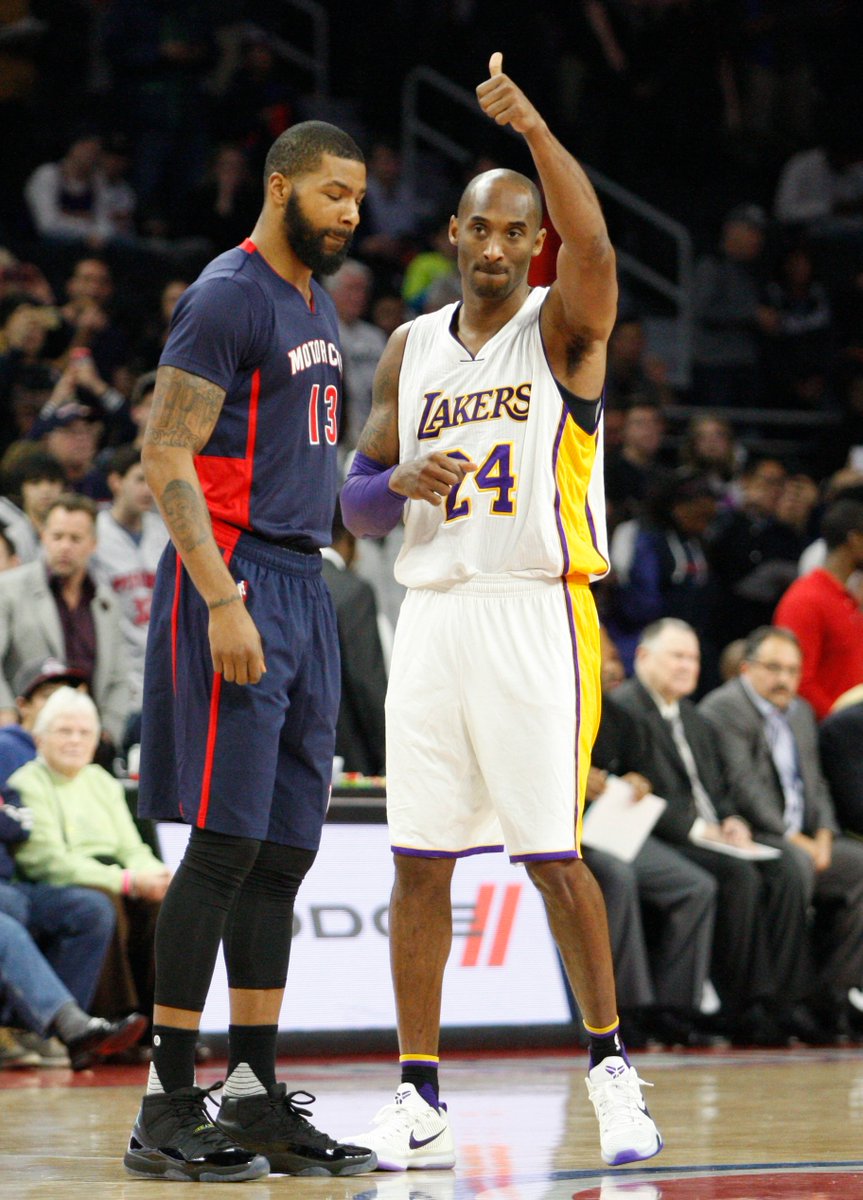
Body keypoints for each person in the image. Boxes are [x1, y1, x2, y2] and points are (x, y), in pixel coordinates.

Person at [341, 54, 662, 1170]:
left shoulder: (562, 326)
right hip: (432, 616)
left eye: (514, 231)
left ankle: (610, 1072)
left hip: (535, 609)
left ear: (534, 244)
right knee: (418, 861)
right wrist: (394, 483)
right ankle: (418, 1093)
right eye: (477, 227)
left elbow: (599, 248)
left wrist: (531, 130)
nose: (492, 245)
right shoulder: (408, 346)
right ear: (453, 232)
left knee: (552, 856)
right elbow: (354, 502)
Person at [124, 120, 375, 1183]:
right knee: (223, 847)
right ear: (279, 188)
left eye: (356, 196)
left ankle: (255, 1092)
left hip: (305, 582)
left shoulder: (314, 303)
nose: (349, 213)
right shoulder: (228, 294)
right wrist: (222, 598)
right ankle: (165, 1102)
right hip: (235, 577)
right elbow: (165, 450)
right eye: (331, 193)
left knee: (281, 856)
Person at [614, 618, 817, 1046]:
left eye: (693, 658)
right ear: (643, 657)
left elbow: (717, 790)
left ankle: (782, 1000)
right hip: (661, 835)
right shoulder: (625, 709)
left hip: (709, 834)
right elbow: (637, 792)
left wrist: (731, 820)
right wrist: (700, 829)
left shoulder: (692, 715)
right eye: (677, 656)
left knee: (784, 868)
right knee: (737, 876)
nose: (687, 666)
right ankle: (738, 1003)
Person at [700, 626, 863, 1037]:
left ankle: (832, 993)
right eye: (773, 668)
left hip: (806, 836)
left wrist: (824, 833)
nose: (784, 679)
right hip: (752, 832)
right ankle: (787, 1000)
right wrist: (797, 840)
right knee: (793, 867)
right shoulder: (724, 708)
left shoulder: (801, 712)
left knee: (859, 867)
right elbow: (743, 787)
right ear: (746, 668)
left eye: (792, 670)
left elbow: (817, 783)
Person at [10, 688, 171, 1036]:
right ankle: (113, 1018)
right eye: (64, 731)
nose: (75, 741)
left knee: (161, 905)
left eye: (85, 733)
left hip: (111, 873)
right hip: (54, 881)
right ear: (40, 738)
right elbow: (50, 862)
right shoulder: (27, 782)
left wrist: (156, 875)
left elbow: (131, 847)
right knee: (103, 900)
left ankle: (158, 1026)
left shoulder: (101, 781)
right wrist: (128, 881)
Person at [585, 628, 716, 1048]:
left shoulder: (620, 717)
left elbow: (644, 773)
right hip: (562, 832)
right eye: (600, 656)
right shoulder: (547, 710)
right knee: (618, 877)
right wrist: (575, 779)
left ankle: (674, 1009)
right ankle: (624, 1011)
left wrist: (638, 782)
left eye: (613, 658)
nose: (610, 667)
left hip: (614, 828)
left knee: (695, 886)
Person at [0, 494, 130, 749]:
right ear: (43, 537)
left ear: (93, 544)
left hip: (85, 740)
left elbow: (119, 677)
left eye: (75, 539)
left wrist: (108, 733)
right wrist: (6, 715)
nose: (65, 547)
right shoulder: (8, 589)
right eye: (57, 536)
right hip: (24, 736)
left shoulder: (106, 602)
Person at [93, 445, 169, 722]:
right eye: (139, 479)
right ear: (116, 481)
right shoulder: (93, 533)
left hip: (161, 658)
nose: (148, 489)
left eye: (152, 480)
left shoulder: (166, 532)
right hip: (117, 661)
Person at [773, 498, 863, 719]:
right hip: (829, 733)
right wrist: (842, 726)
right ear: (855, 540)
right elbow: (798, 682)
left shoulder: (847, 598)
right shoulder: (806, 599)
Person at [321, 502, 387, 776]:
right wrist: (388, 755)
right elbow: (366, 681)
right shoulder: (353, 593)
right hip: (348, 759)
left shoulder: (290, 586)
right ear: (348, 538)